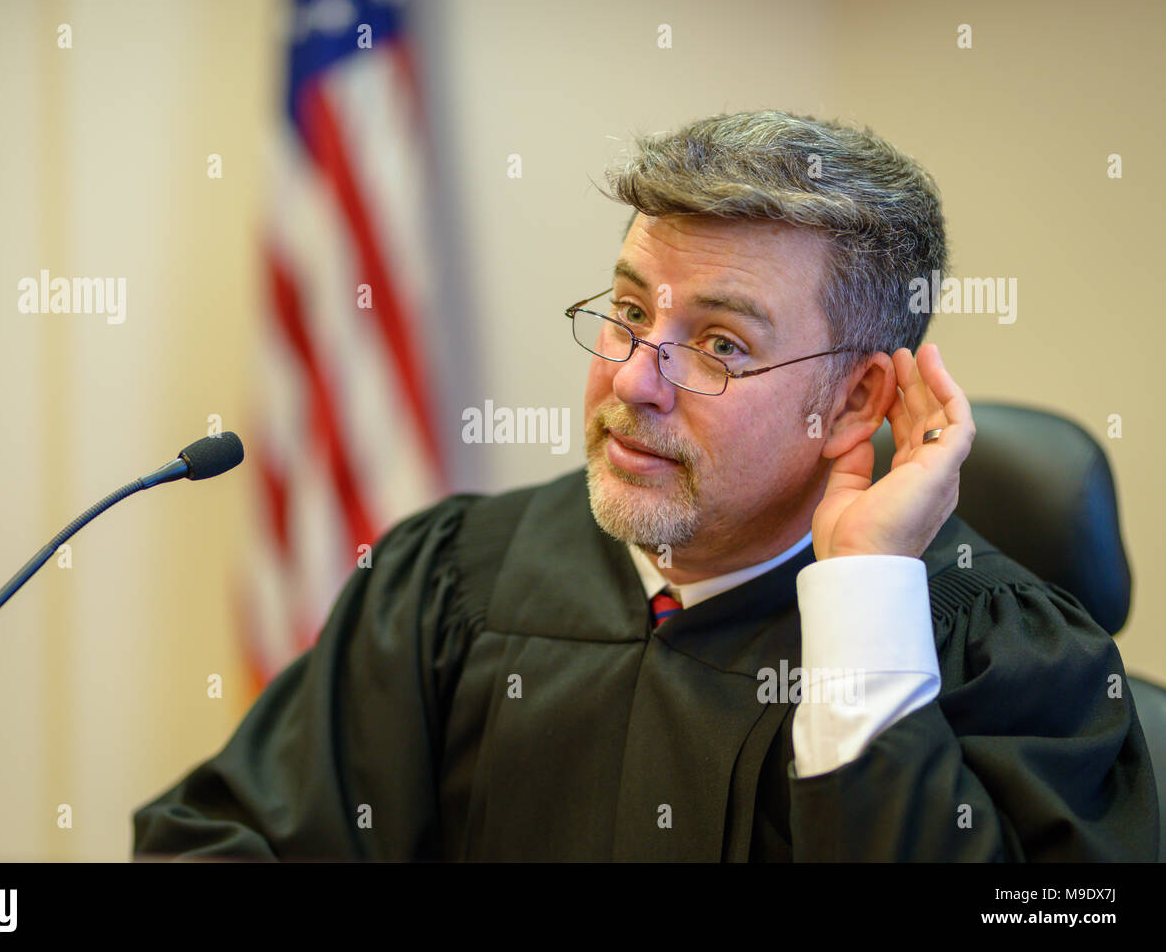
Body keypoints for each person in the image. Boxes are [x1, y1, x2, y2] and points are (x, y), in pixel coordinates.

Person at [132, 110, 1158, 861]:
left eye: (717, 344)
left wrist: (861, 610)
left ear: (855, 402)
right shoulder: (451, 583)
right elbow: (226, 841)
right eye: (627, 312)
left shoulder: (995, 652)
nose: (631, 378)